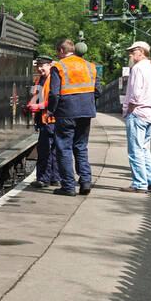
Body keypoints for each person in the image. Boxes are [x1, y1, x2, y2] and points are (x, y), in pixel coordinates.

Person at [46, 37, 97, 196]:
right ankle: (85, 182)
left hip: (66, 112)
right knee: (81, 146)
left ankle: (68, 186)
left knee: (64, 148)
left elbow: (54, 93)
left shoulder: (59, 66)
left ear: (61, 51)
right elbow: (98, 91)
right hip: (86, 111)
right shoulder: (90, 66)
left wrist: (50, 110)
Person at [120, 41, 151, 192]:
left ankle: (139, 183)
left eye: (132, 51)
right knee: (144, 148)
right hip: (150, 113)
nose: (130, 54)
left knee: (135, 150)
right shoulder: (150, 68)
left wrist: (129, 110)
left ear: (141, 52)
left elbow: (136, 93)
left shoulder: (138, 68)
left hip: (138, 113)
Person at [24, 57, 60, 188]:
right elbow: (36, 97)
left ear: (49, 65)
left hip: (50, 119)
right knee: (52, 149)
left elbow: (55, 99)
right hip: (44, 119)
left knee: (46, 149)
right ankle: (55, 178)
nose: (39, 69)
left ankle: (44, 178)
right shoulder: (40, 79)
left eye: (42, 66)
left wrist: (39, 107)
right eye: (38, 66)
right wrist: (29, 106)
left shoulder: (53, 79)